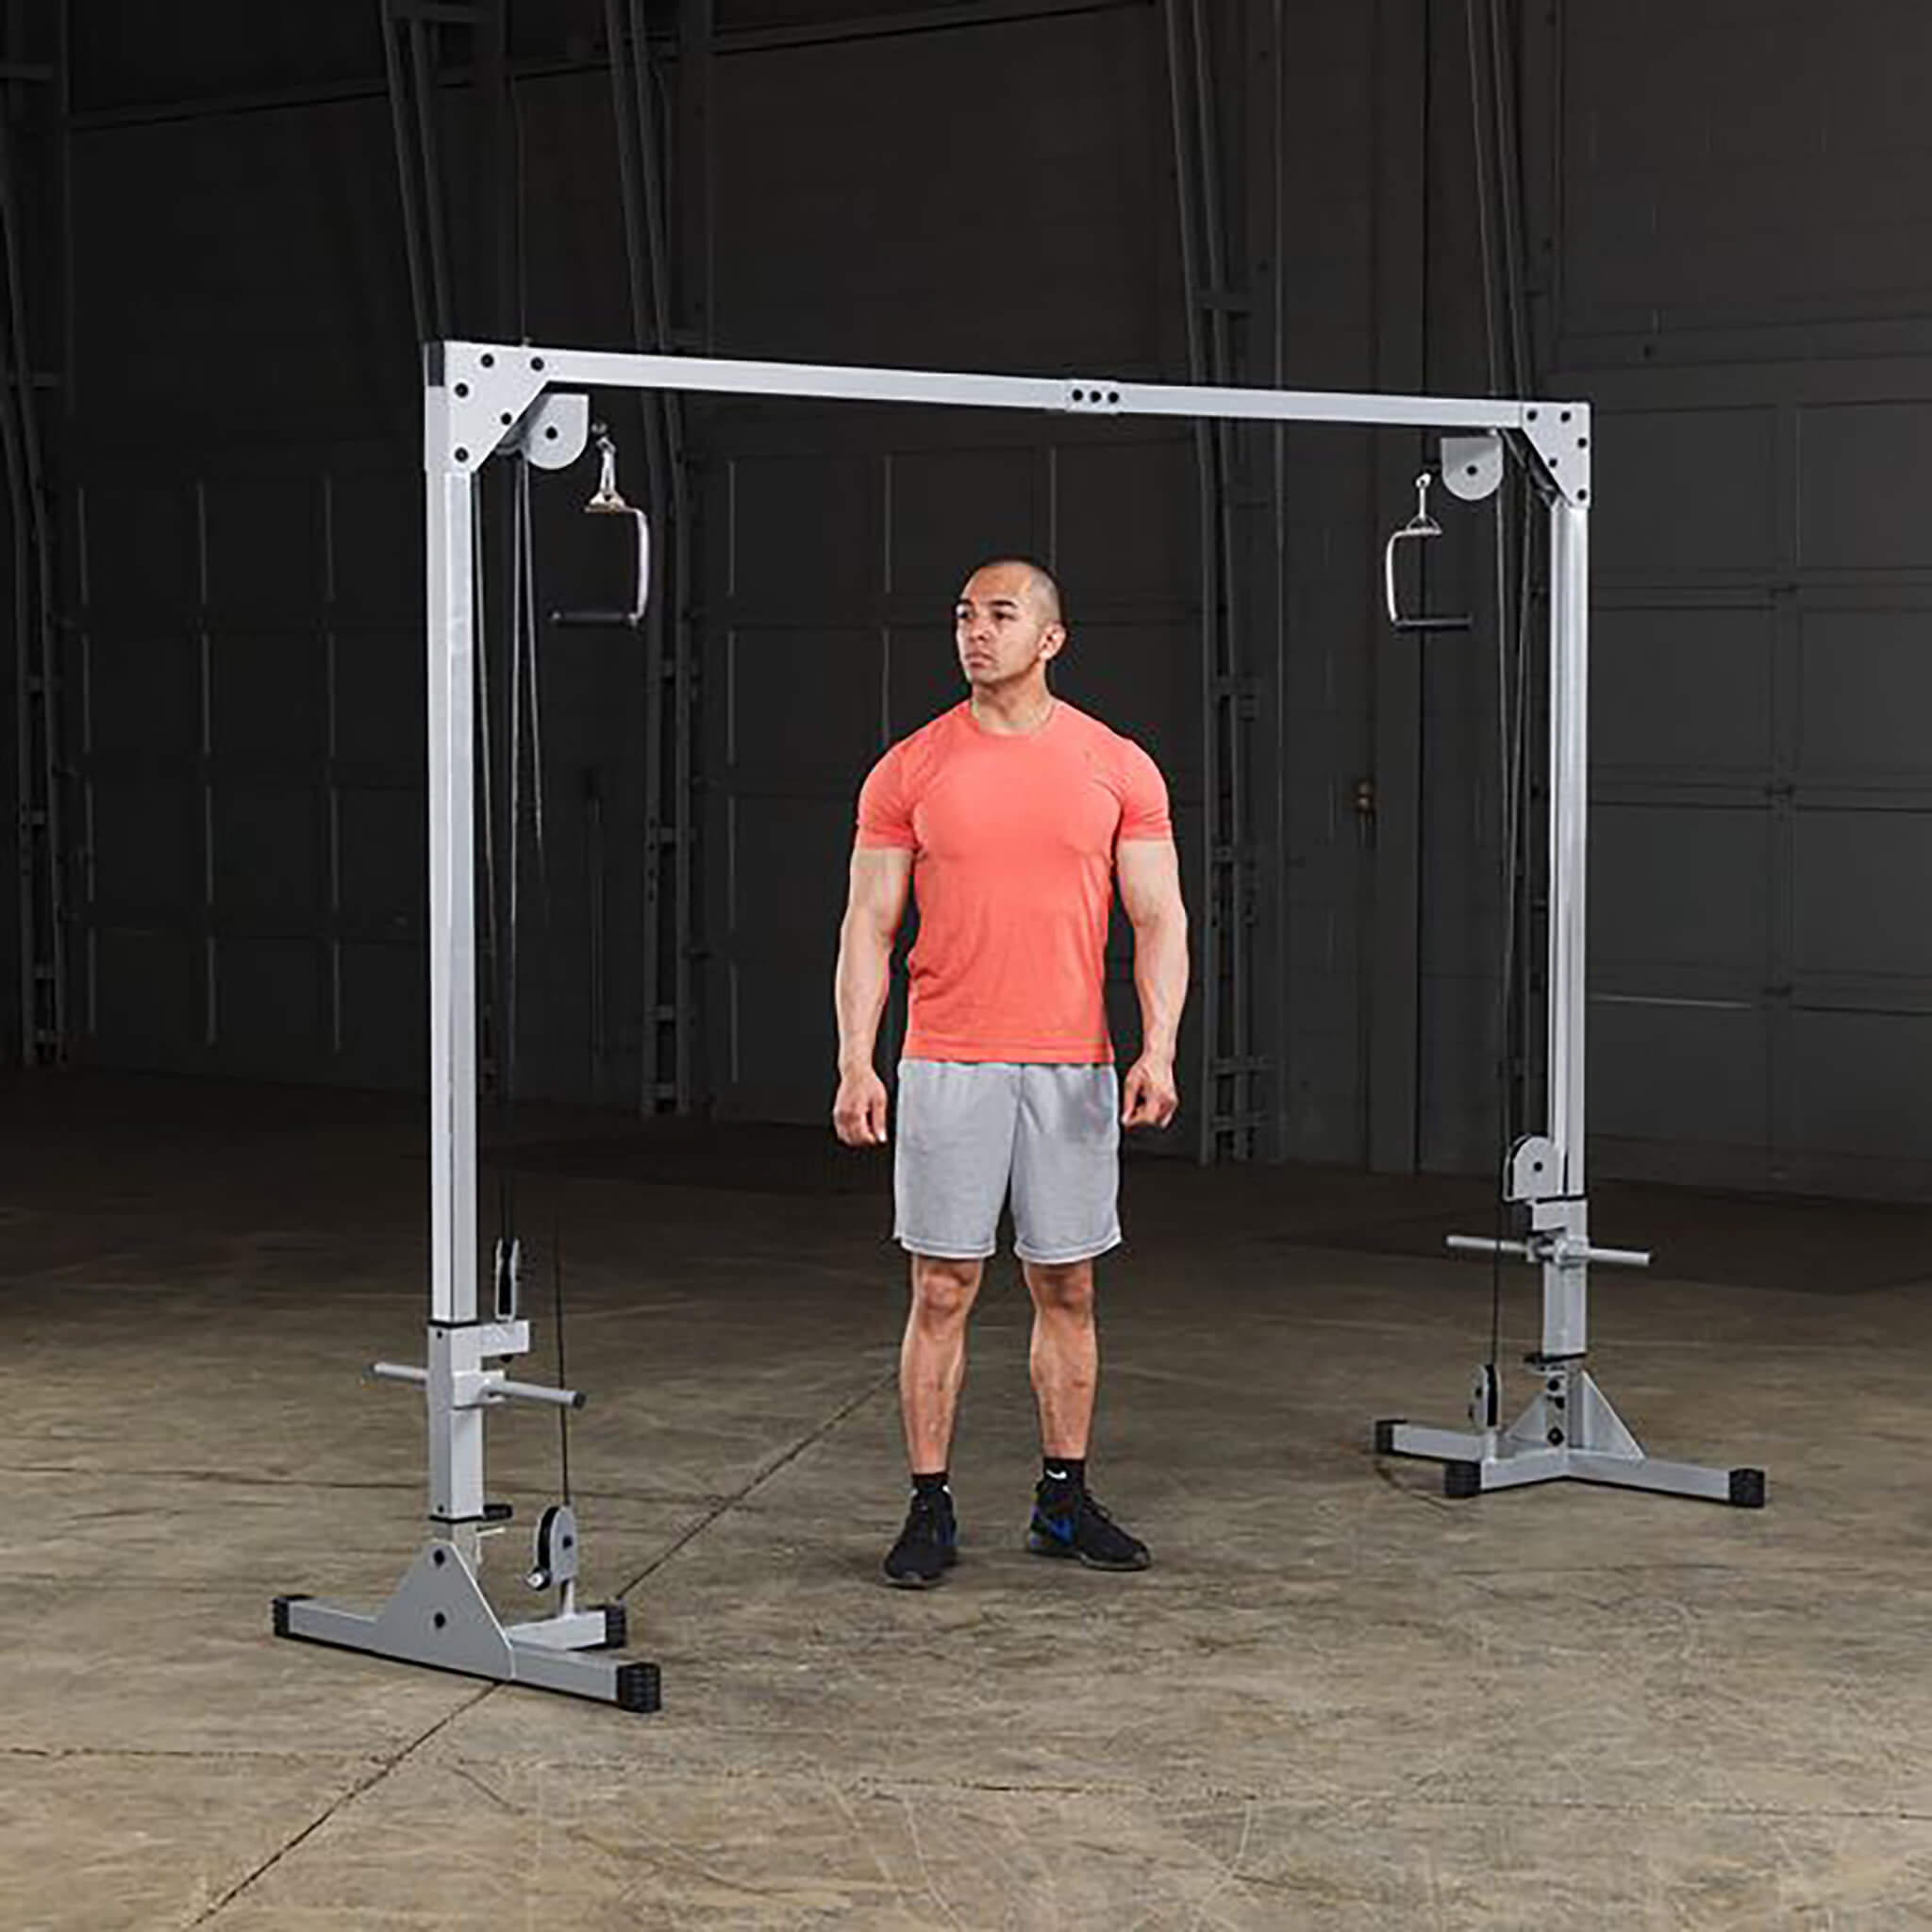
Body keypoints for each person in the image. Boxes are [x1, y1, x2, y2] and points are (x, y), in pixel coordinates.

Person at [831, 557, 1190, 1589]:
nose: (975, 631)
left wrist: (1158, 1044)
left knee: (1067, 1283)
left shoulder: (1116, 764)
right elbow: (868, 925)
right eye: (963, 615)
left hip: (1071, 1063)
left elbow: (1158, 917)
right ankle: (928, 1506)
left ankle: (1062, 1501)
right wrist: (855, 1058)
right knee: (941, 1285)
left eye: (1000, 614)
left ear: (1050, 638)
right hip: (947, 1059)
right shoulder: (909, 768)